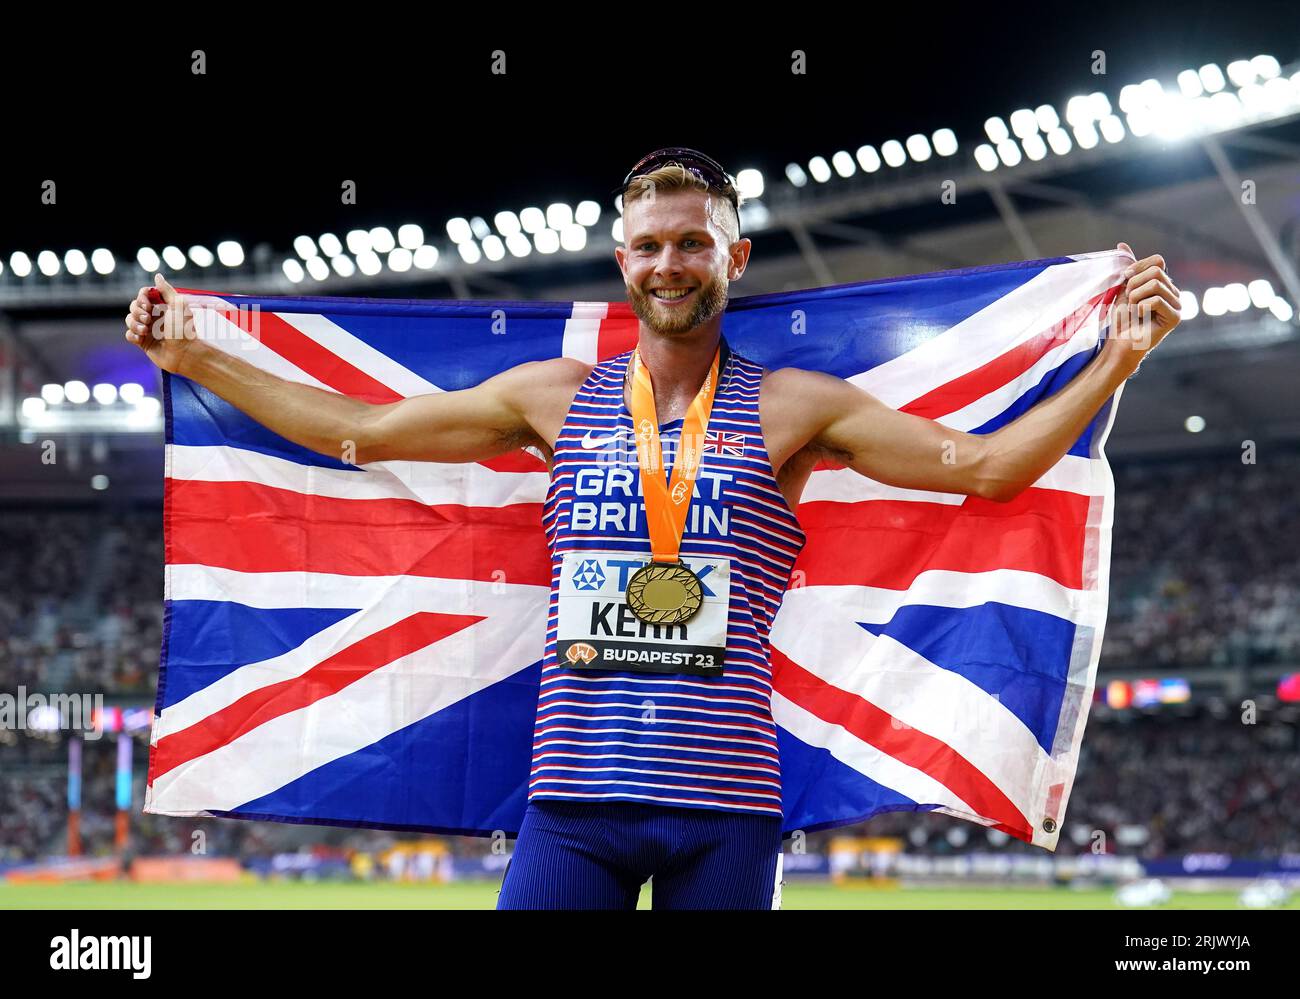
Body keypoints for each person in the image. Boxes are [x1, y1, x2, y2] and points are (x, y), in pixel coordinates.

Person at [124, 147, 1182, 909]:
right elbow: (358, 431)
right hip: (574, 803)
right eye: (647, 247)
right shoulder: (550, 399)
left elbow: (990, 470)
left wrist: (1118, 356)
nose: (668, 263)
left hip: (727, 810)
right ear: (620, 263)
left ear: (734, 255)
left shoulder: (796, 409)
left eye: (690, 243)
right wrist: (200, 356)